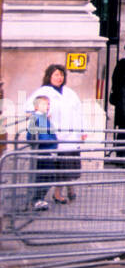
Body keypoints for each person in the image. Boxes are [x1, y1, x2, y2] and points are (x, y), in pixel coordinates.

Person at [26, 64, 86, 204]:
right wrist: (41, 114)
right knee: (59, 166)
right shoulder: (43, 92)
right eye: (56, 75)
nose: (59, 78)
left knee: (70, 165)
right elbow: (29, 108)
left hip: (71, 135)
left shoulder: (70, 92)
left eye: (62, 75)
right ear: (49, 76)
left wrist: (83, 130)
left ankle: (68, 190)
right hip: (55, 136)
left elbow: (79, 111)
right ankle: (55, 194)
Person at [24, 95, 58, 211]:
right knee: (46, 176)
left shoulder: (40, 118)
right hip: (45, 151)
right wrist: (53, 142)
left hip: (44, 150)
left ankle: (38, 198)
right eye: (44, 104)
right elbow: (42, 137)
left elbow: (32, 136)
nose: (47, 107)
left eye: (48, 104)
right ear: (36, 106)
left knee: (44, 176)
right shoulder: (40, 118)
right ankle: (37, 199)